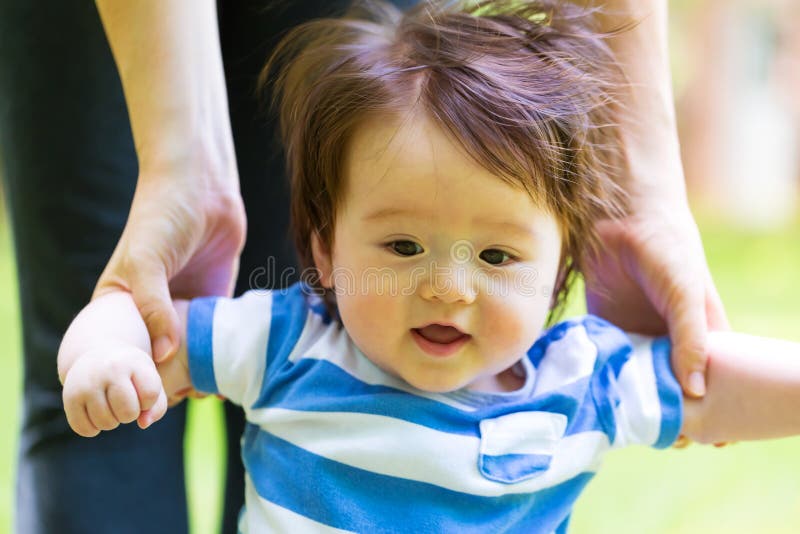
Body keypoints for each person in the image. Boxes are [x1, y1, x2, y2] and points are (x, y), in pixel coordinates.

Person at [57, 2, 800, 532]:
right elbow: (143, 312)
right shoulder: (288, 344)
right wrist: (104, 348)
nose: (448, 285)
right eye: (403, 247)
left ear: (564, 263)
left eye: (498, 255)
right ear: (324, 247)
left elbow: (711, 383)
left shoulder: (582, 383)